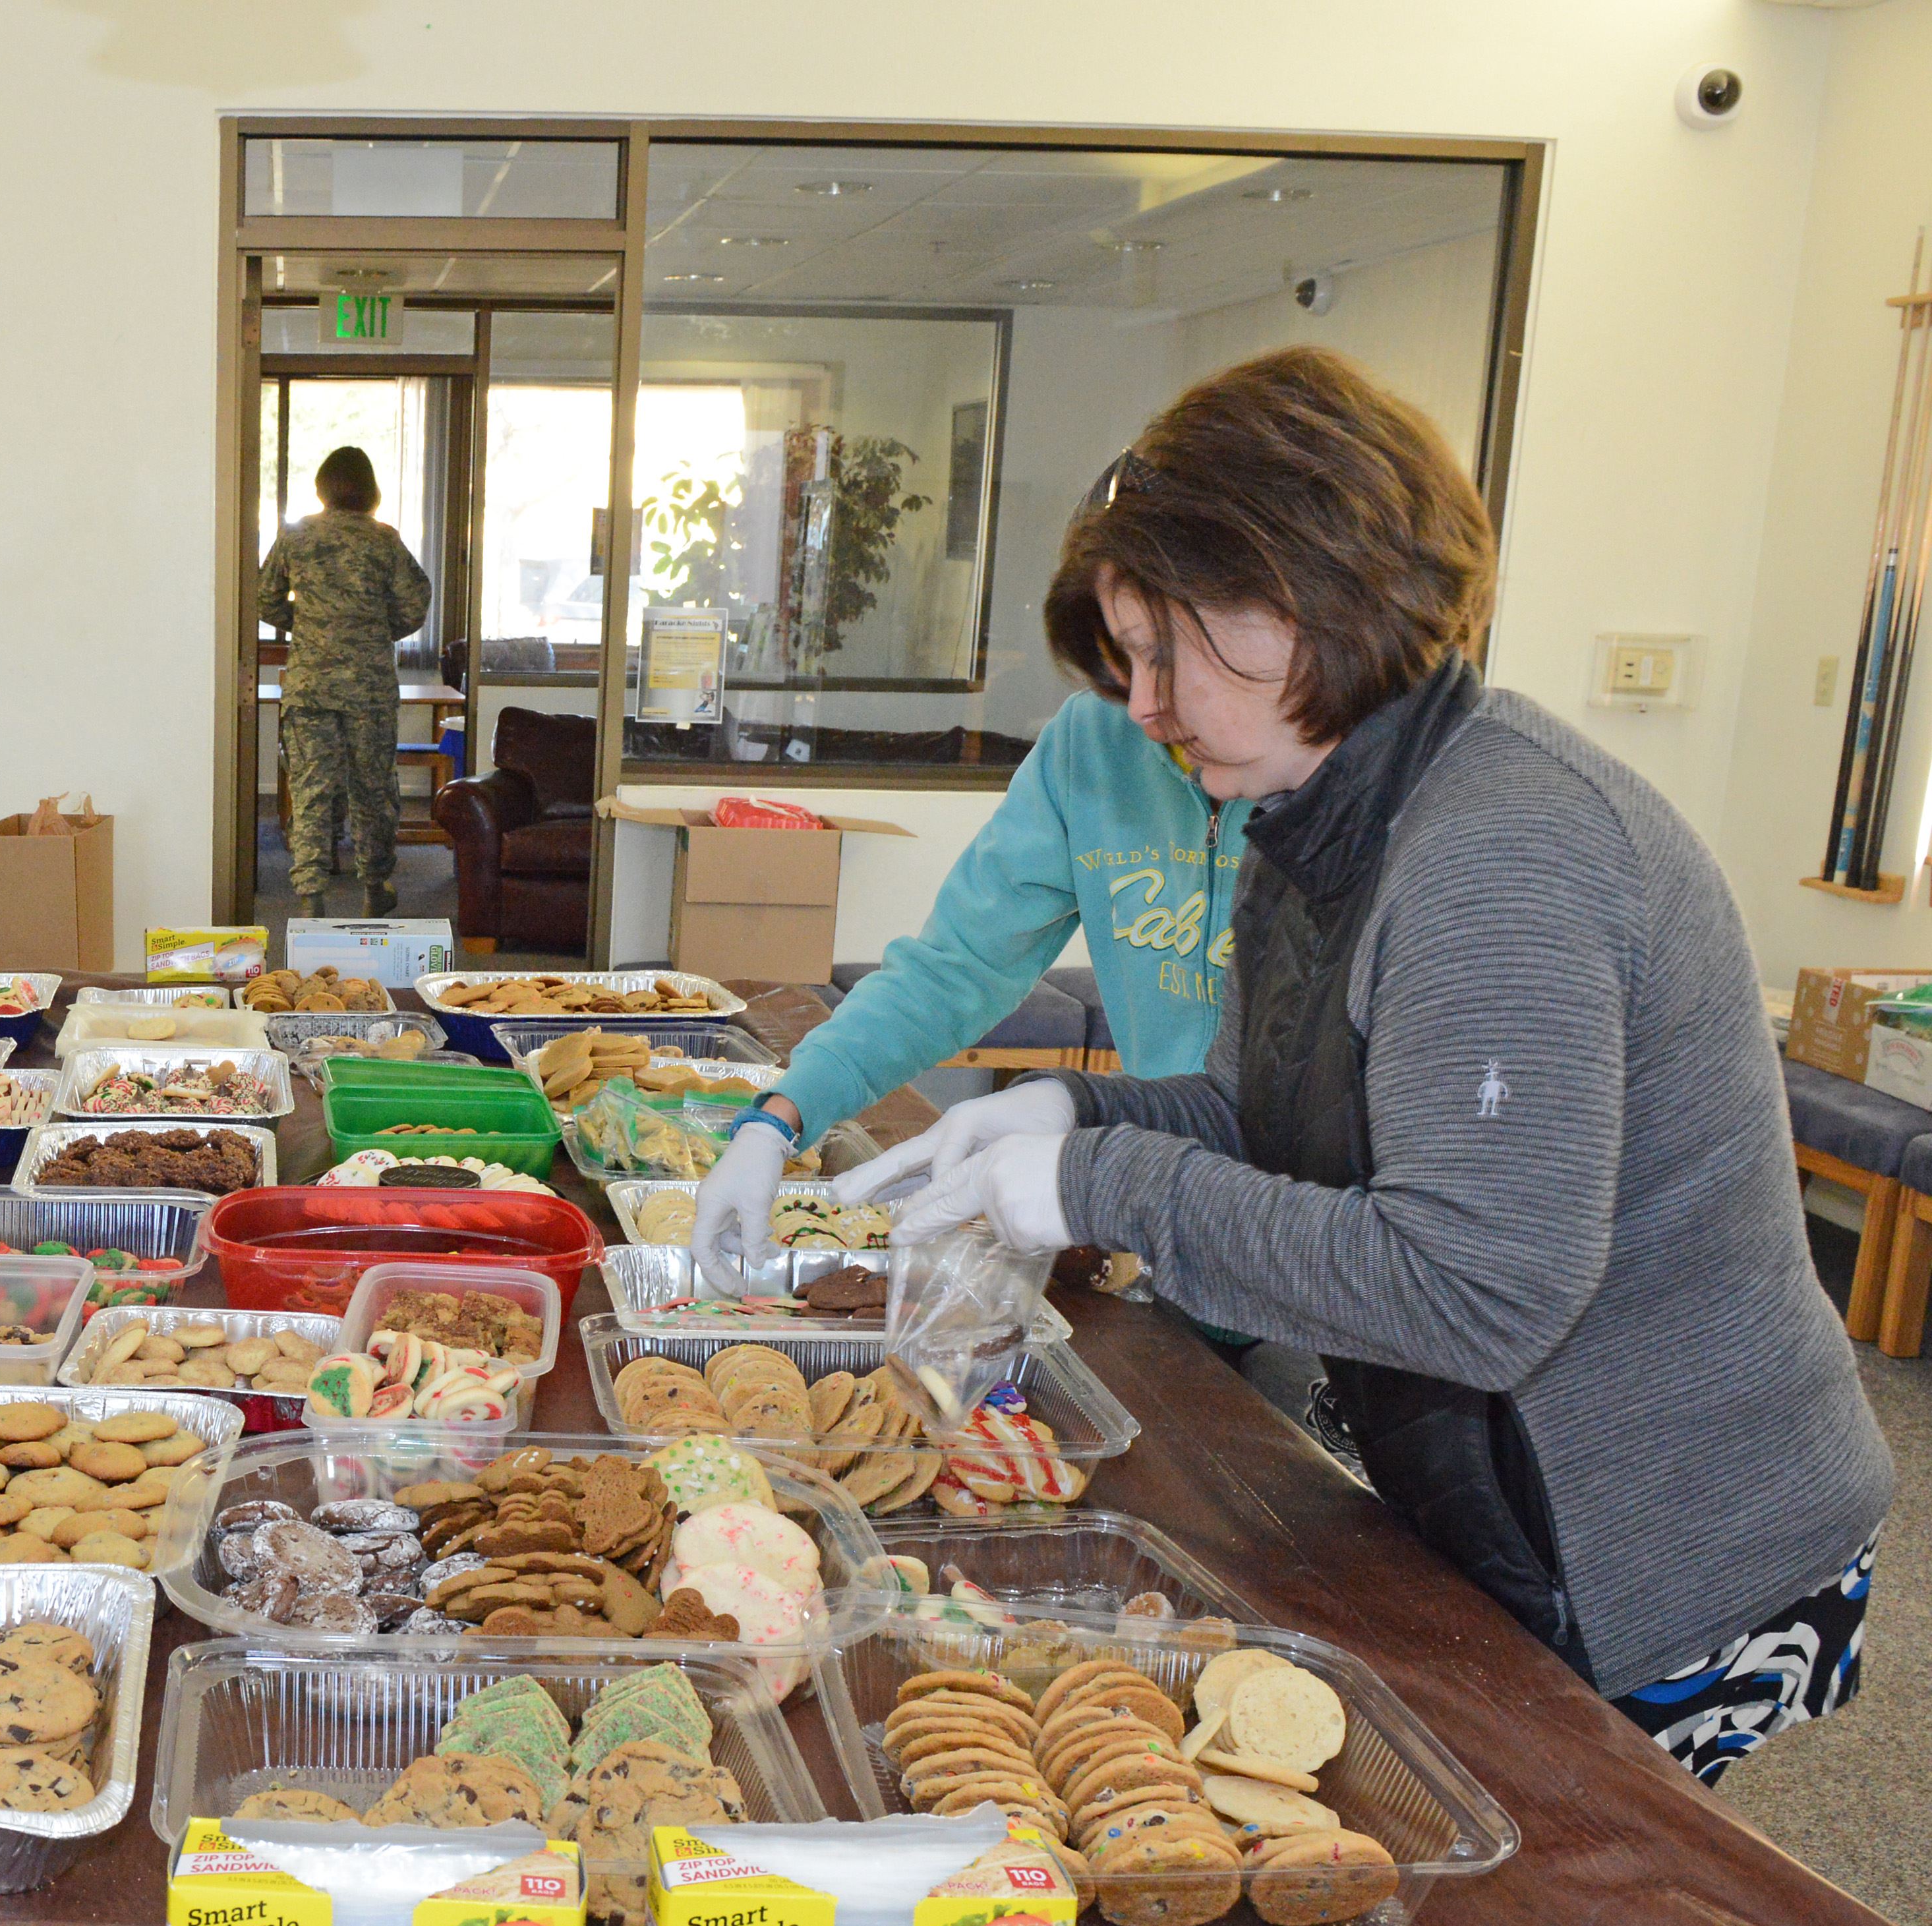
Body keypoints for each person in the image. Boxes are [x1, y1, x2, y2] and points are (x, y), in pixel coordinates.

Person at [873, 347, 1890, 1781]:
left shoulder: (1500, 851)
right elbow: (1259, 1108)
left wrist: (1097, 1178)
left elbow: (1472, 1286)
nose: (1146, 707)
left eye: (1163, 652)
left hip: (1651, 1540)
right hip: (1495, 1482)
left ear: (1299, 603)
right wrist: (1069, 1107)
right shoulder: (1318, 810)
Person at [691, 490, 1252, 1291]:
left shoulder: (1368, 796)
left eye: (1166, 656)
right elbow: (953, 967)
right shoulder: (1093, 742)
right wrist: (777, 1117)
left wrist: (1084, 1140)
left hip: (1298, 1266)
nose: (1143, 706)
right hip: (1158, 1227)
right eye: (1124, 660)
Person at [256, 445, 431, 919]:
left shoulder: (295, 537)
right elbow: (416, 603)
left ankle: (312, 893)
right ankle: (376, 886)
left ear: (322, 489)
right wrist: (374, 629)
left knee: (312, 787)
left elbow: (264, 598)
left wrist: (312, 624)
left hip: (311, 683)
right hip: (369, 686)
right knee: (372, 787)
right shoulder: (384, 540)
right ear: (371, 491)